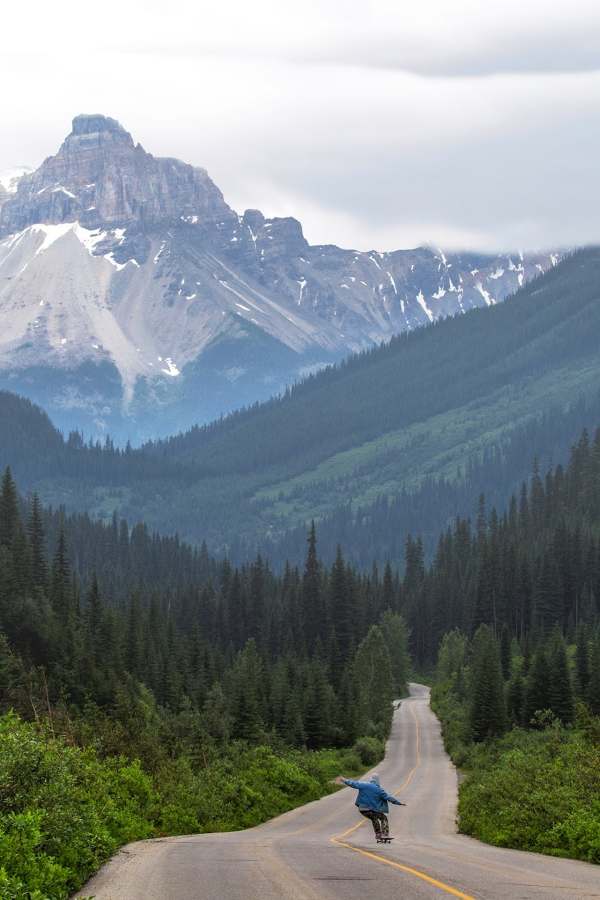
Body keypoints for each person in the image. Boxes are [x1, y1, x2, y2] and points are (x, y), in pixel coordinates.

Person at [341, 773, 405, 838]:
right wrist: (398, 803)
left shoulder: (364, 785)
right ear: (378, 781)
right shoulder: (379, 790)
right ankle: (384, 834)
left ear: (371, 780)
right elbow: (388, 797)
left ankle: (378, 834)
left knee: (374, 818)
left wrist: (344, 780)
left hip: (362, 809)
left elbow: (353, 784)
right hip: (371, 809)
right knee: (382, 818)